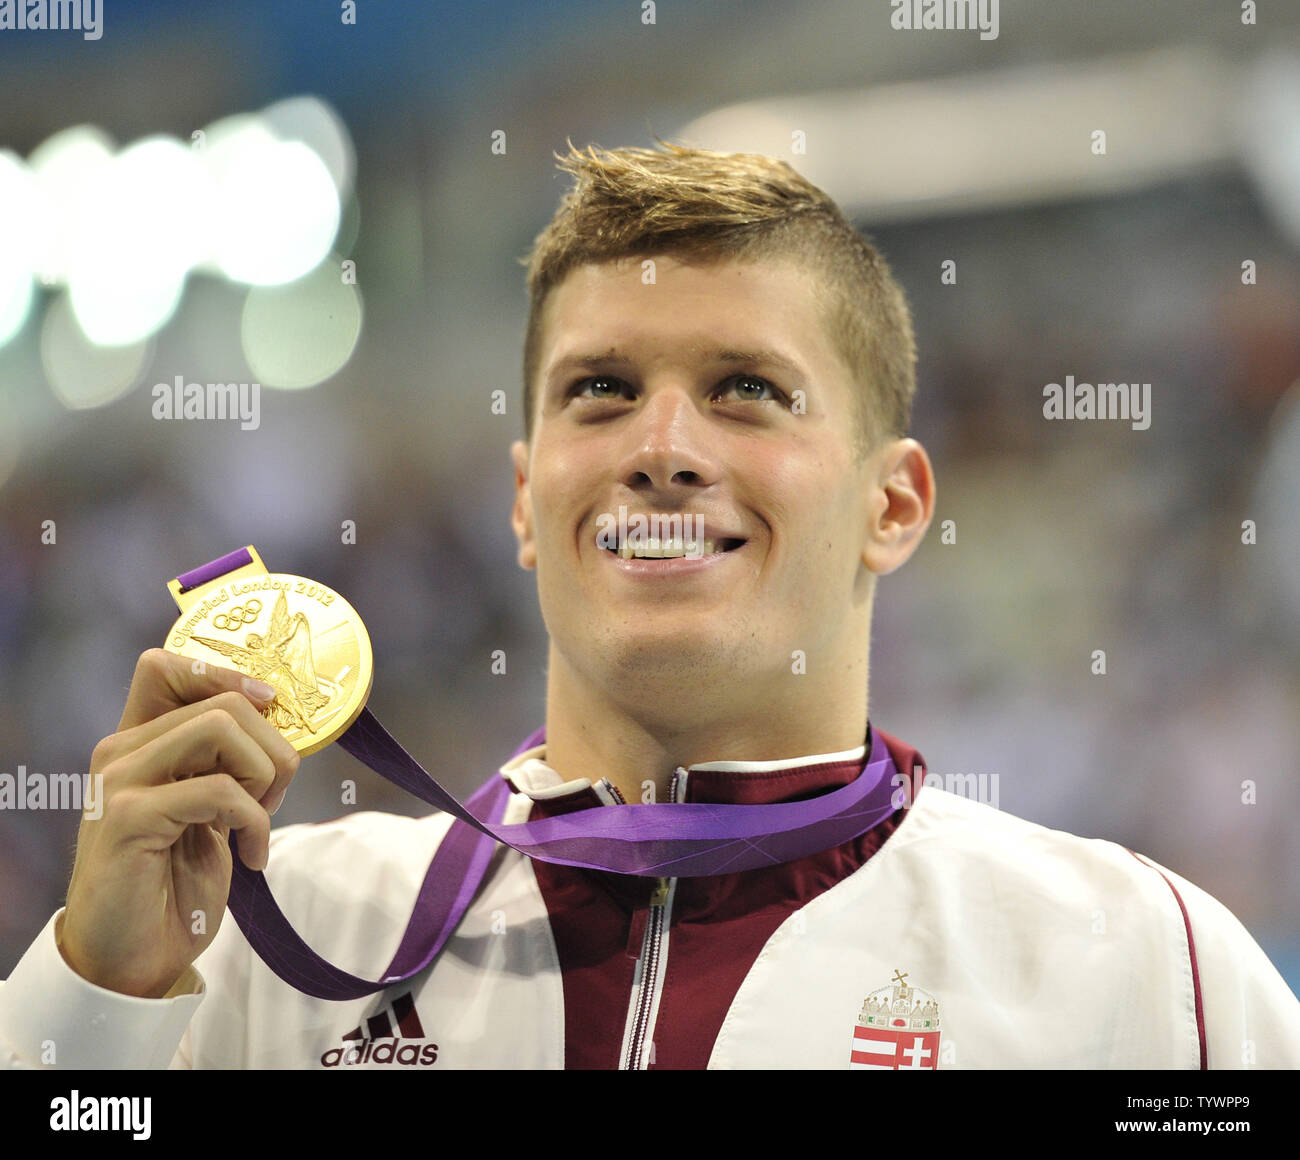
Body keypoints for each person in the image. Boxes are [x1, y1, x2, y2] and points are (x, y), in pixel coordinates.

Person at [2, 141, 1297, 1070]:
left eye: (747, 388)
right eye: (601, 391)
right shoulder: (270, 938)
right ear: (523, 499)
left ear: (894, 505)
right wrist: (94, 1000)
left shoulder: (1142, 969)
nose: (662, 444)